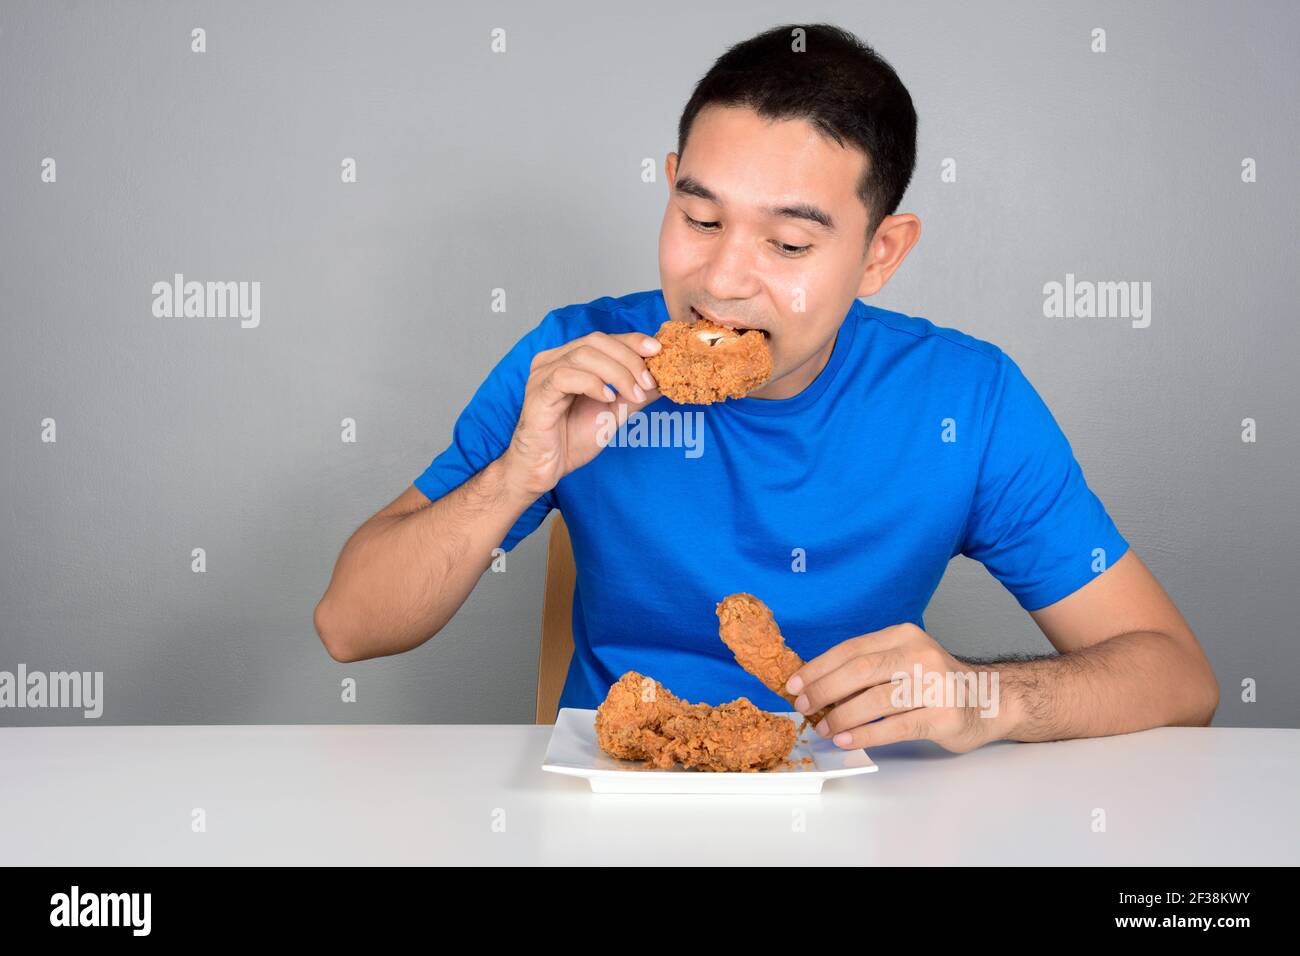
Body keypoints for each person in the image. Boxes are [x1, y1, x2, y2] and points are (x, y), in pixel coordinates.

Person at [314, 23, 1218, 753]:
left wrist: (986, 699)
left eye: (788, 245)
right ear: (670, 190)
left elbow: (1178, 677)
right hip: (618, 809)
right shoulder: (574, 358)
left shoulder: (964, 402)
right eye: (699, 218)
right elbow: (349, 624)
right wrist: (520, 471)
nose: (723, 280)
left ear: (881, 254)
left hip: (861, 814)